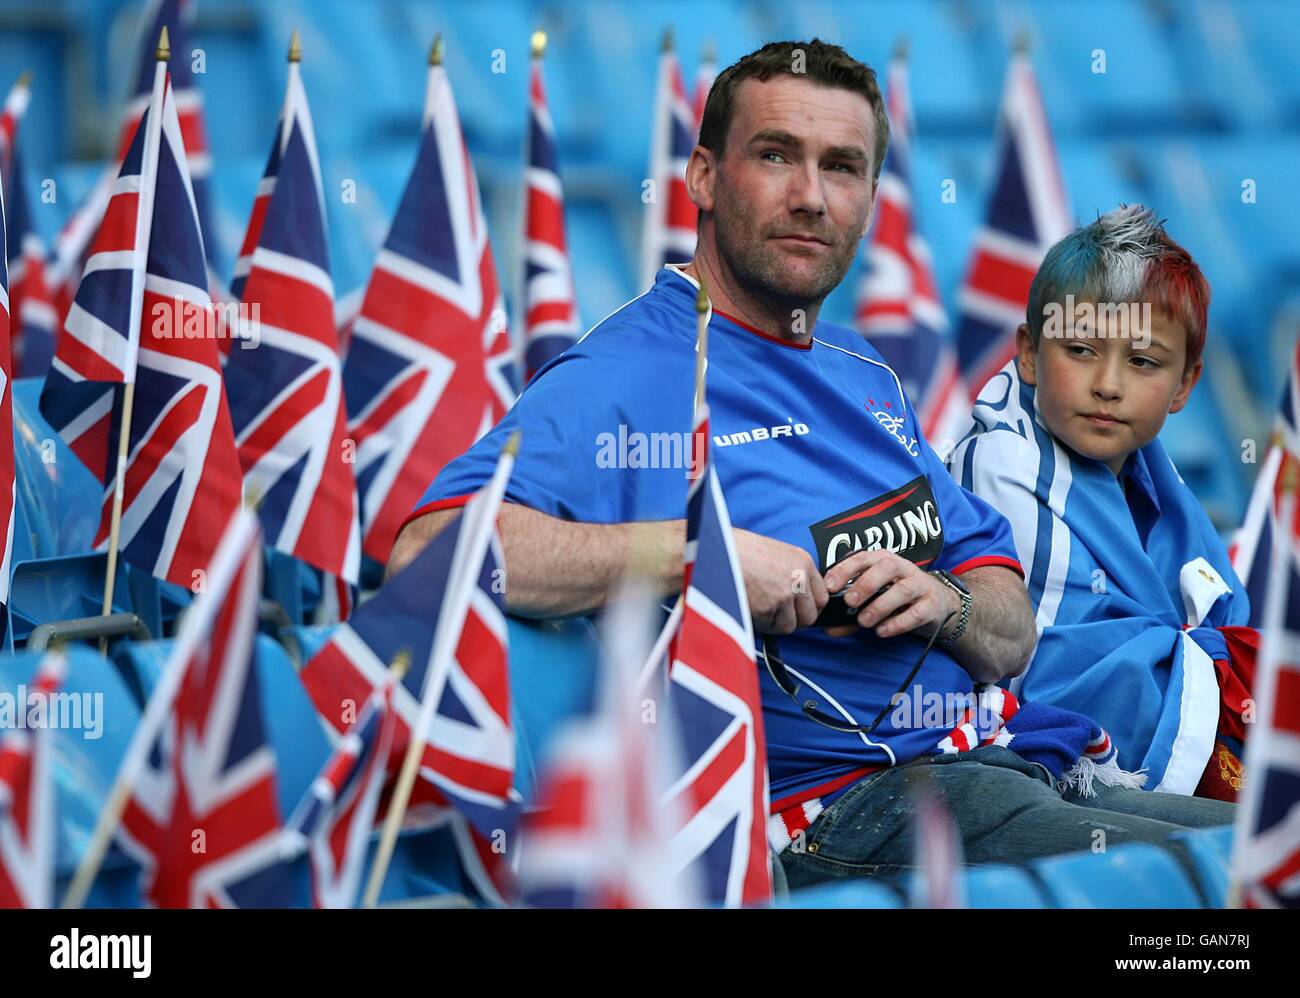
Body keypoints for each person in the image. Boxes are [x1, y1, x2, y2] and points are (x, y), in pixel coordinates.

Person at [391, 40, 1232, 891]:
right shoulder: (628, 374)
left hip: (1005, 758)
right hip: (842, 814)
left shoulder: (861, 369)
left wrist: (948, 604)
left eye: (842, 167)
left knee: (1262, 847)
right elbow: (430, 552)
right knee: (1215, 893)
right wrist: (694, 559)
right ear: (703, 178)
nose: (810, 196)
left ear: (870, 198)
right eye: (775, 155)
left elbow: (1010, 628)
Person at [949, 206, 1255, 803]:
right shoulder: (1003, 464)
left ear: (1185, 386)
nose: (1108, 384)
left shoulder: (1159, 479)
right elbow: (1047, 671)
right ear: (1031, 354)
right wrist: (1212, 663)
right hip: (1027, 767)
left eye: (1142, 361)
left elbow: (1229, 624)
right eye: (1082, 350)